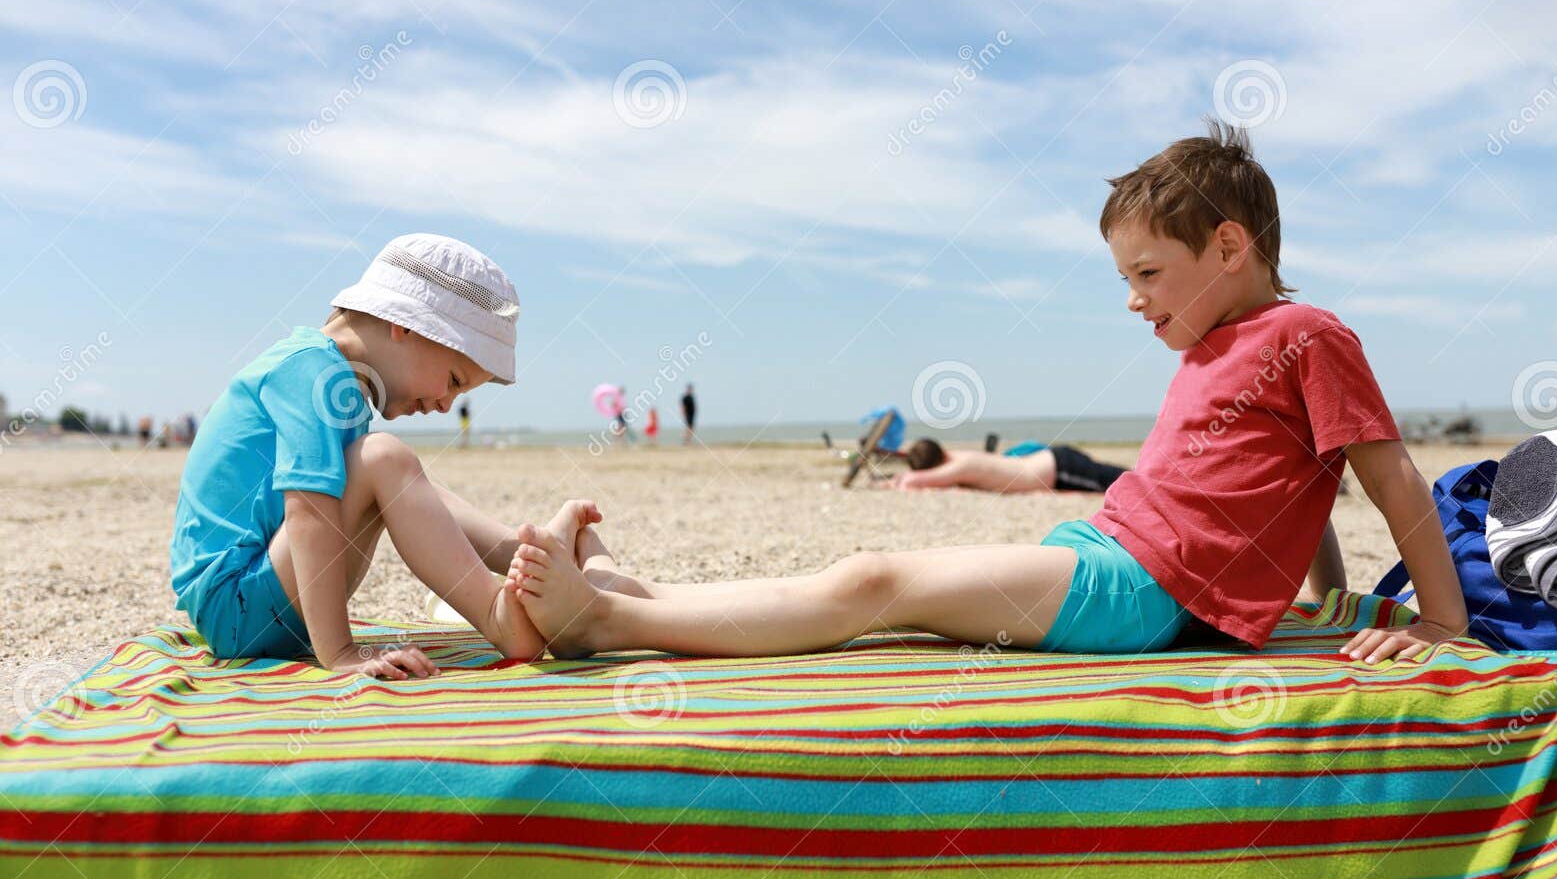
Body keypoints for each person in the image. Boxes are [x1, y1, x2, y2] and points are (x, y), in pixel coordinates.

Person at [506, 120, 1467, 666]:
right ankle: (653, 593)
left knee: (877, 581)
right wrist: (1326, 601)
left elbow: (1388, 477)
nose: (1134, 301)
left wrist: (1439, 622)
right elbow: (1295, 484)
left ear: (1227, 247)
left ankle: (608, 622)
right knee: (874, 577)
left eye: (1147, 274)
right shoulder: (1219, 344)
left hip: (1139, 590)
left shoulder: (1306, 334)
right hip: (1103, 549)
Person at [169, 232, 574, 678]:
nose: (444, 403)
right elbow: (306, 512)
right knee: (384, 460)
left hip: (267, 602)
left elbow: (406, 501)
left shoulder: (339, 386)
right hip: (236, 606)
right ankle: (500, 618)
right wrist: (340, 653)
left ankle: (520, 551)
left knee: (401, 477)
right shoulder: (310, 371)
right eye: (455, 380)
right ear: (406, 326)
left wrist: (531, 553)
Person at [895, 437, 1126, 493]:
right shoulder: (958, 458)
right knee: (1121, 479)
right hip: (1055, 464)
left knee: (1121, 483)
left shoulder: (961, 465)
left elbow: (915, 481)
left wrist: (894, 482)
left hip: (1060, 469)